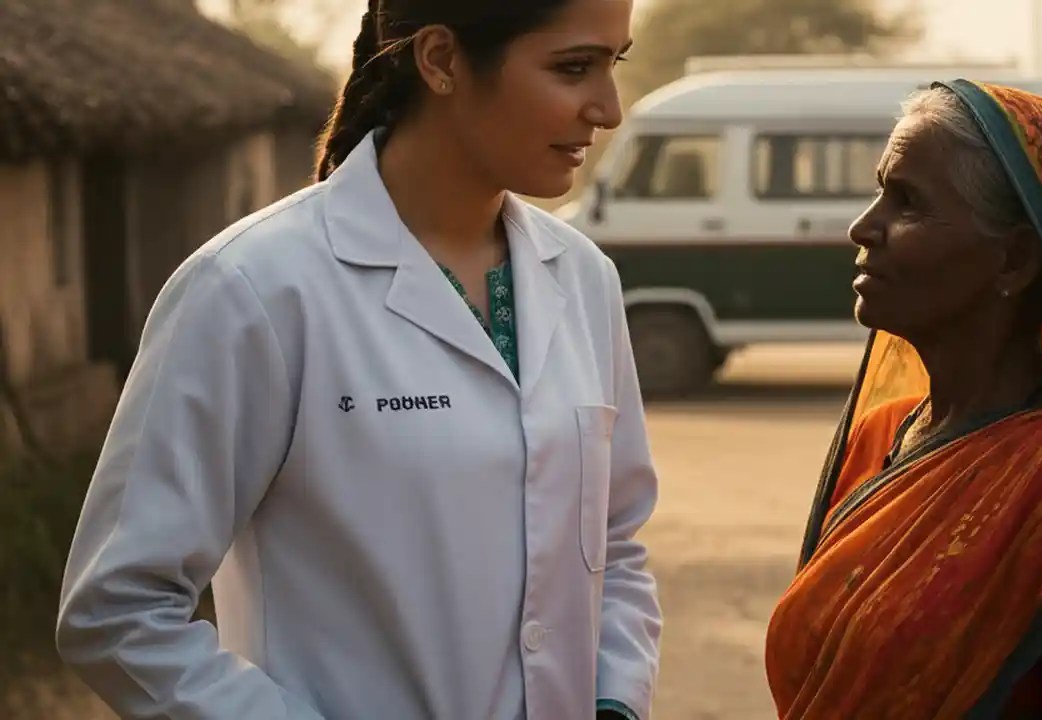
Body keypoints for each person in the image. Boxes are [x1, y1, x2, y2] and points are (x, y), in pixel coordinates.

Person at [56, 1, 660, 718]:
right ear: (440, 60)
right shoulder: (254, 289)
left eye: (612, 64)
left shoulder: (583, 278)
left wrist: (614, 699)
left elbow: (614, 546)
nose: (610, 109)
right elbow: (118, 608)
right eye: (573, 68)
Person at [764, 80, 1042, 719]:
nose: (863, 226)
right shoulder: (882, 437)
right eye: (880, 190)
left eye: (907, 202)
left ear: (1014, 260)